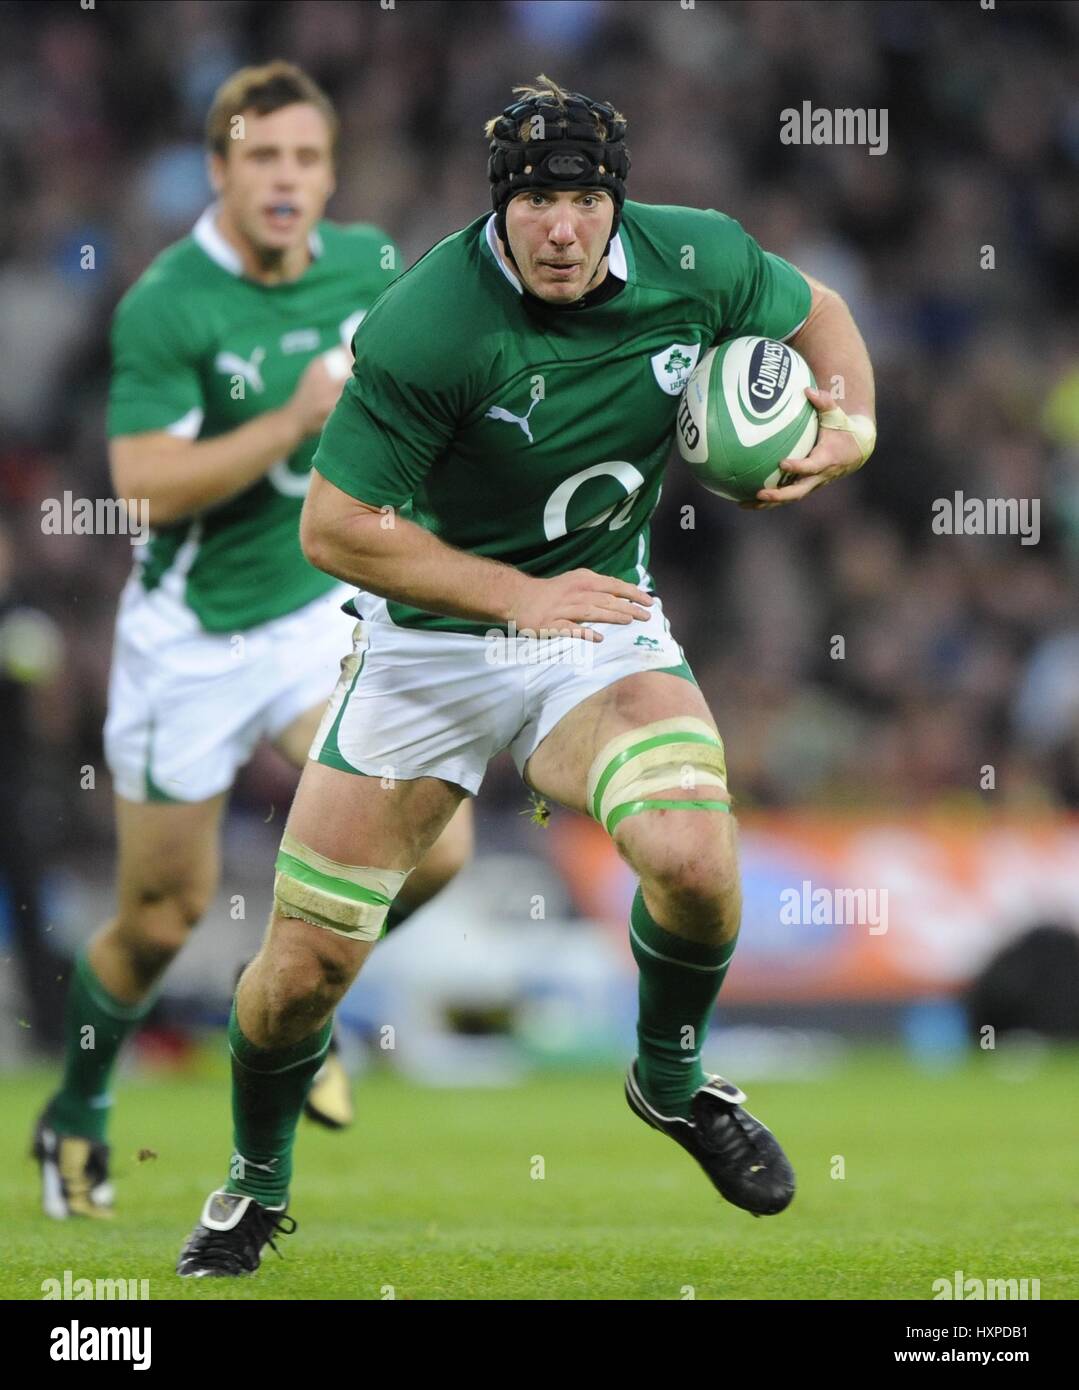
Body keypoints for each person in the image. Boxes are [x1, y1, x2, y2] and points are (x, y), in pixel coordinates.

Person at [176, 75, 876, 1276]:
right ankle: (252, 1182)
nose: (561, 225)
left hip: (596, 627)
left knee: (696, 860)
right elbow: (337, 529)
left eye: (583, 197)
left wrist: (850, 426)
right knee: (300, 975)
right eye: (537, 200)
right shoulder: (427, 322)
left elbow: (819, 313)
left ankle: (668, 1081)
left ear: (616, 200)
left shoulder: (697, 259)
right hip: (423, 645)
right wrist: (514, 594)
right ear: (500, 208)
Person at [33, 61, 472, 1220]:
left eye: (305, 159)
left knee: (436, 846)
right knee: (156, 918)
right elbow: (142, 489)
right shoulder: (169, 301)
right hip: (188, 638)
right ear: (220, 169)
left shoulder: (370, 265)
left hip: (306, 618)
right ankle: (76, 1107)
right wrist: (288, 419)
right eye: (262, 158)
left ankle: (284, 991)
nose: (286, 180)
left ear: (330, 173)